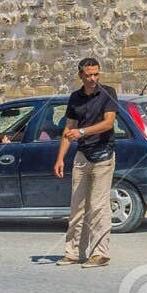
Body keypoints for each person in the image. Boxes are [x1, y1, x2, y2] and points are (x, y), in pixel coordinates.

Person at [54, 57, 119, 267]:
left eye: (96, 74)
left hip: (103, 155)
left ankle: (100, 254)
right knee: (77, 206)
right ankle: (74, 252)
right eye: (88, 75)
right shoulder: (75, 98)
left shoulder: (108, 93)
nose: (93, 79)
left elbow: (108, 123)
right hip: (82, 155)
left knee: (98, 206)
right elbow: (68, 129)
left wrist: (82, 131)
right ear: (80, 75)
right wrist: (60, 158)